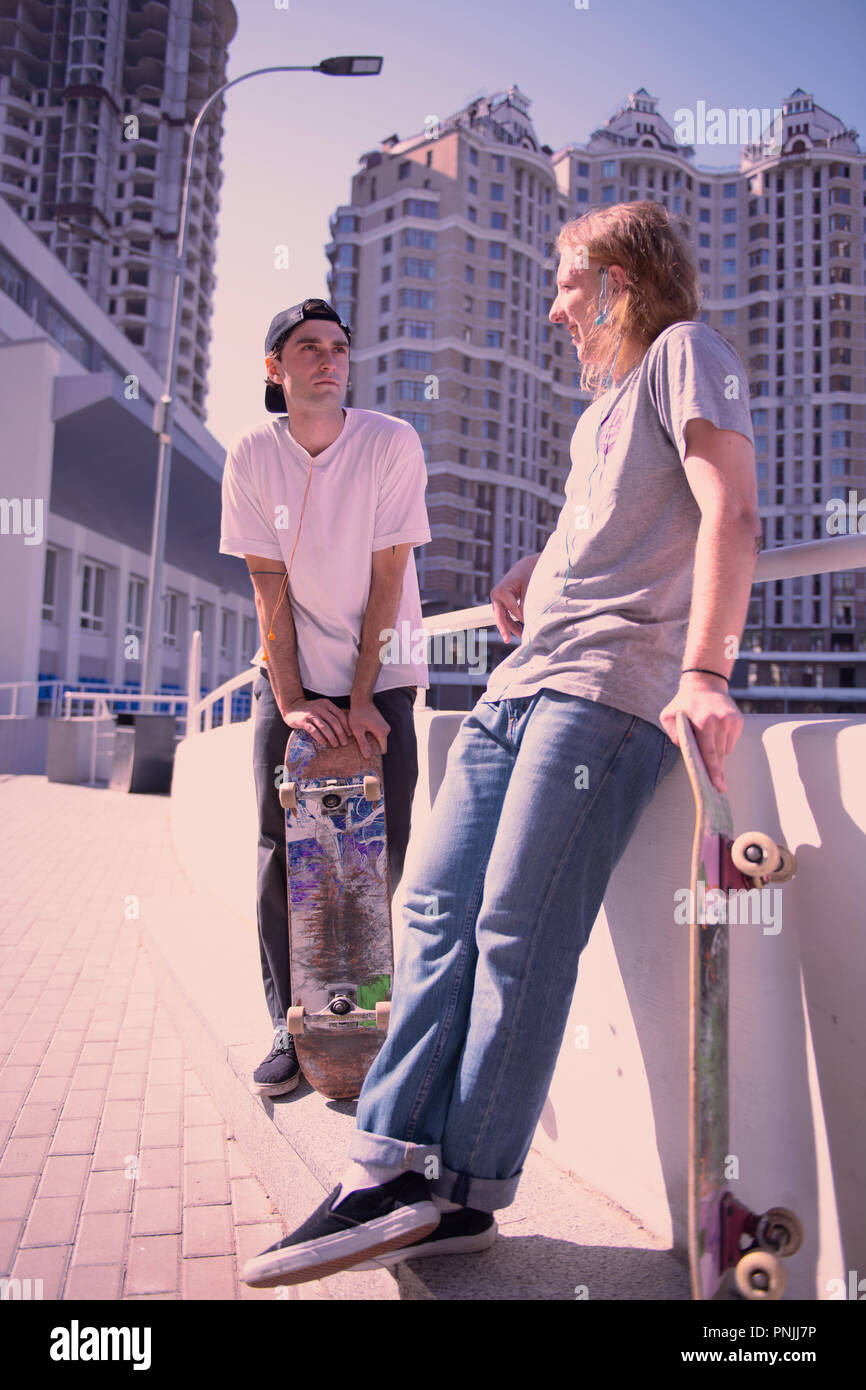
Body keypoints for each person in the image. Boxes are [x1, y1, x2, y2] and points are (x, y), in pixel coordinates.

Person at [241, 202, 763, 1288]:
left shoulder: (683, 354)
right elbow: (612, 521)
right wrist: (536, 564)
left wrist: (705, 672)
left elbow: (729, 510)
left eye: (565, 283)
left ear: (615, 283)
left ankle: (466, 1189)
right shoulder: (603, 409)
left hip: (606, 693)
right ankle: (383, 1158)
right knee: (429, 901)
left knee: (517, 929)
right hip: (516, 683)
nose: (552, 307)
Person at [219, 298, 431, 1098]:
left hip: (388, 674)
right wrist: (295, 697)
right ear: (275, 369)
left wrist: (368, 695)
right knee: (284, 849)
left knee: (380, 851)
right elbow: (267, 589)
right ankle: (291, 1023)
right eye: (307, 348)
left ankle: (372, 1020)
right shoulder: (252, 454)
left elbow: (389, 575)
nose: (328, 359)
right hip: (291, 676)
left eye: (338, 347)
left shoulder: (390, 441)